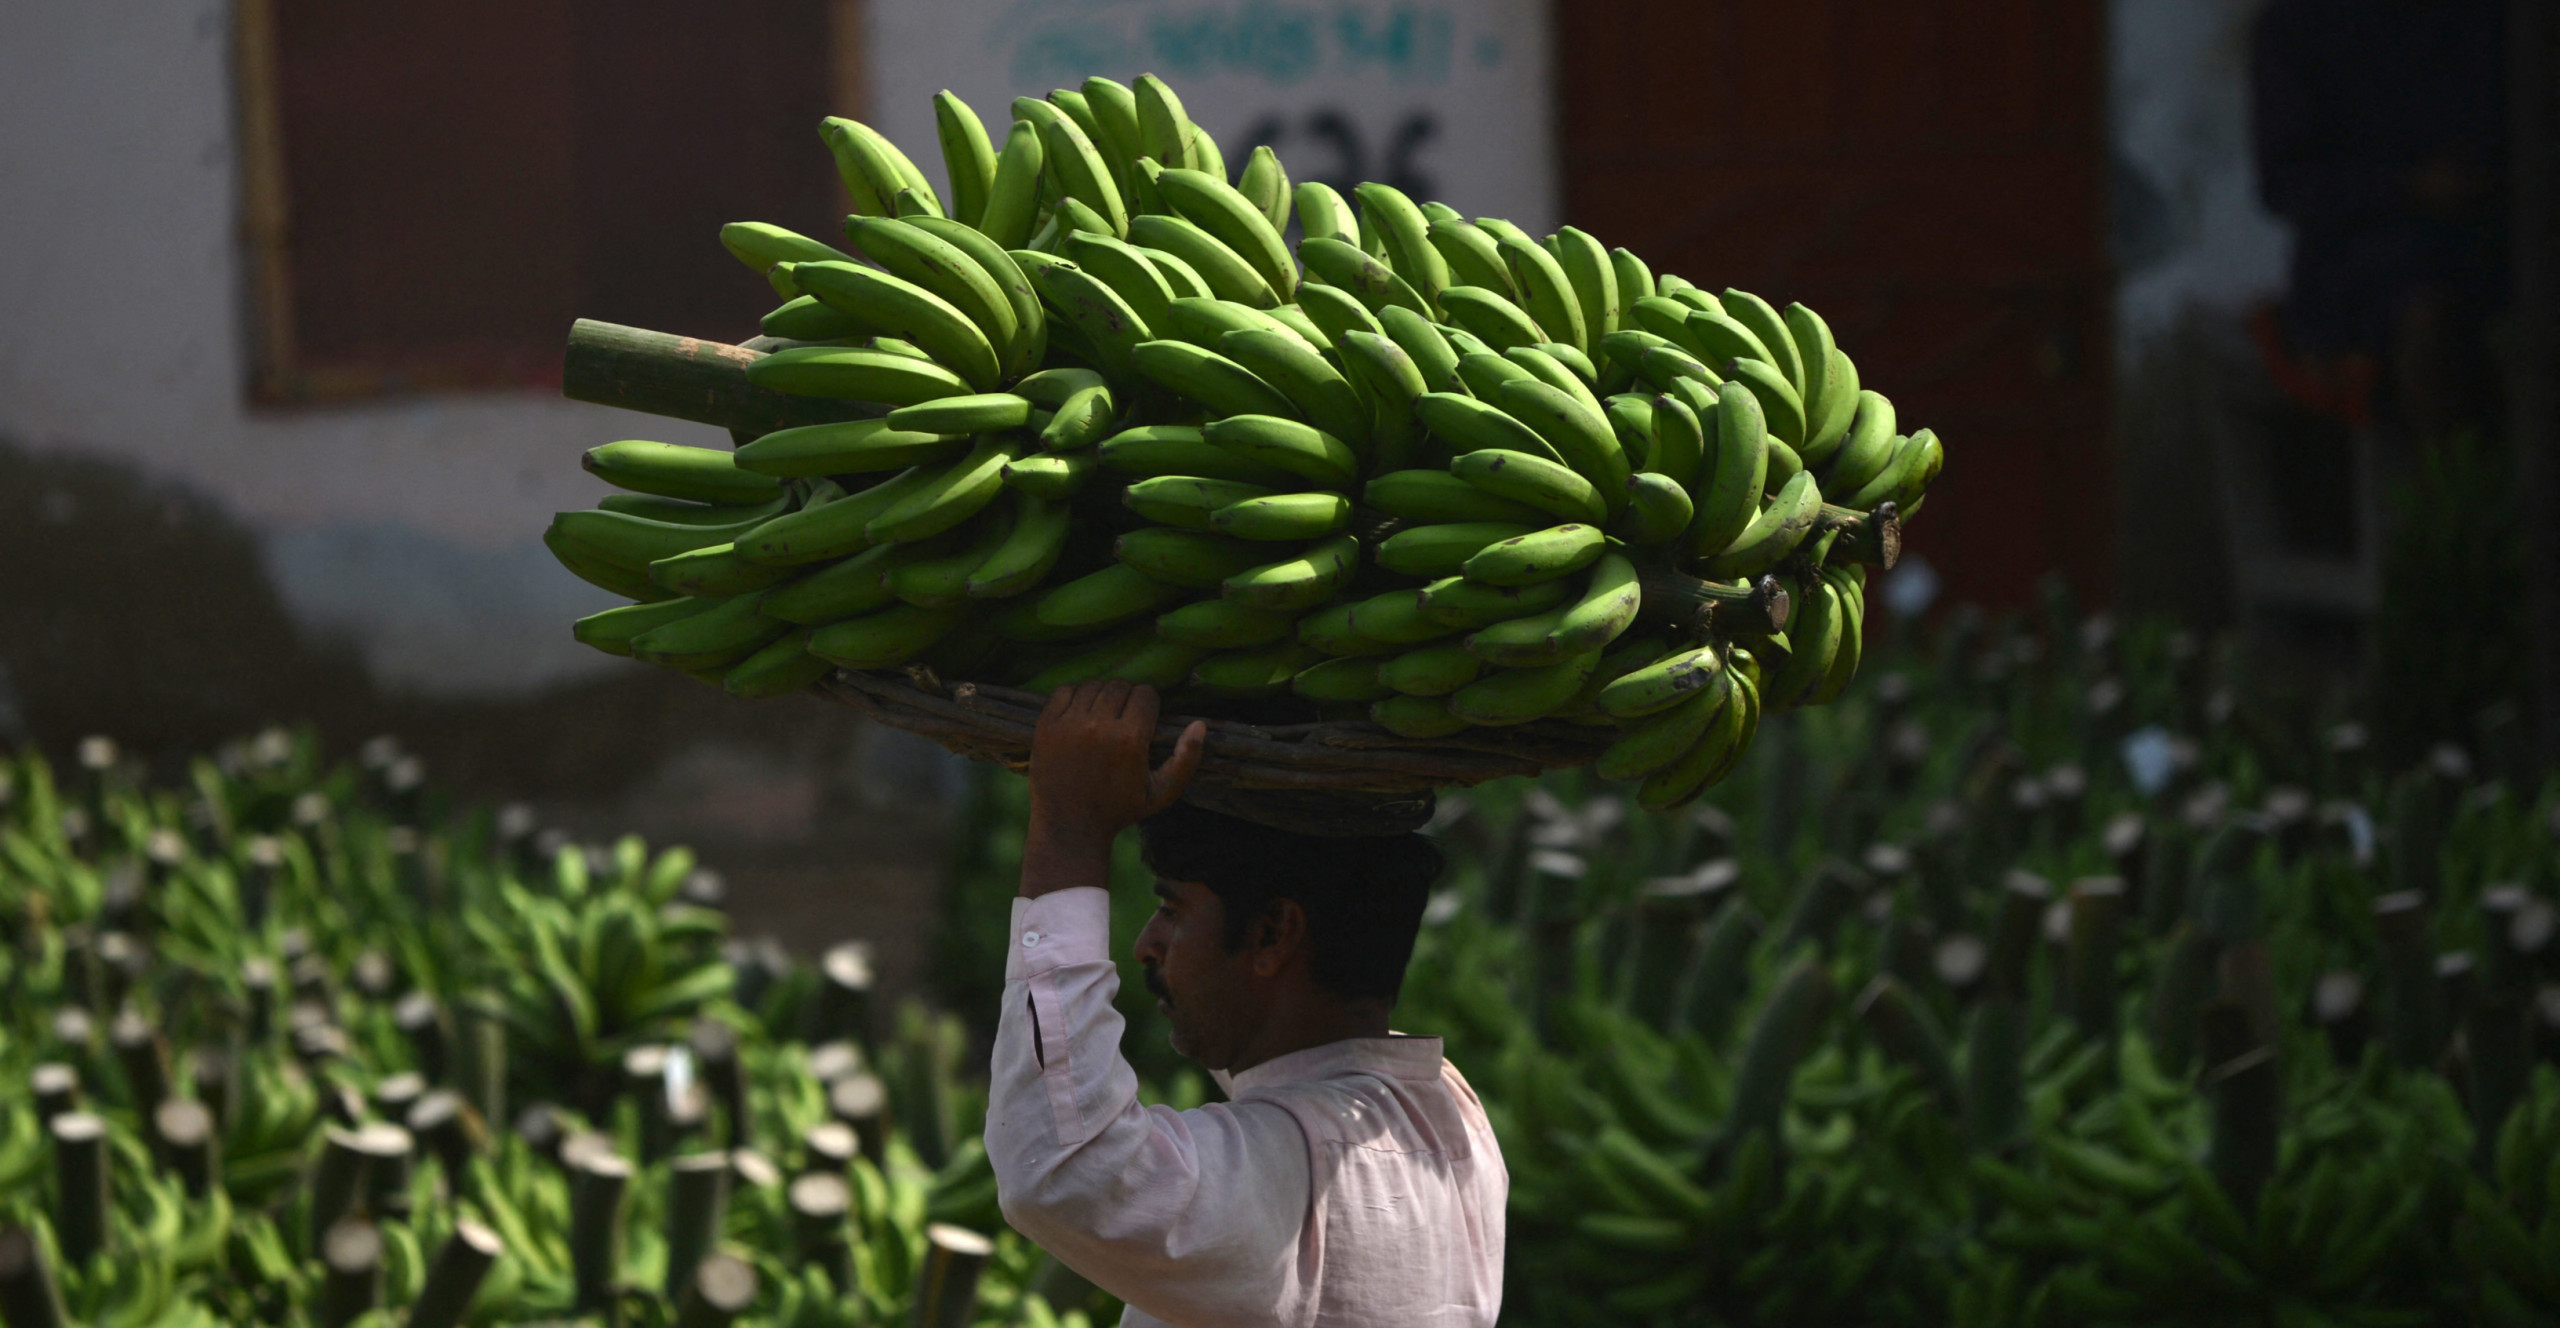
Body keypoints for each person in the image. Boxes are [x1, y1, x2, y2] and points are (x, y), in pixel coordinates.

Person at [984, 680, 1506, 1327]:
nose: (1147, 945)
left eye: (1174, 909)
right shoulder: (1452, 1123)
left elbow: (1060, 1167)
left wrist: (1068, 831)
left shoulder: (1293, 1170)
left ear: (1270, 935)